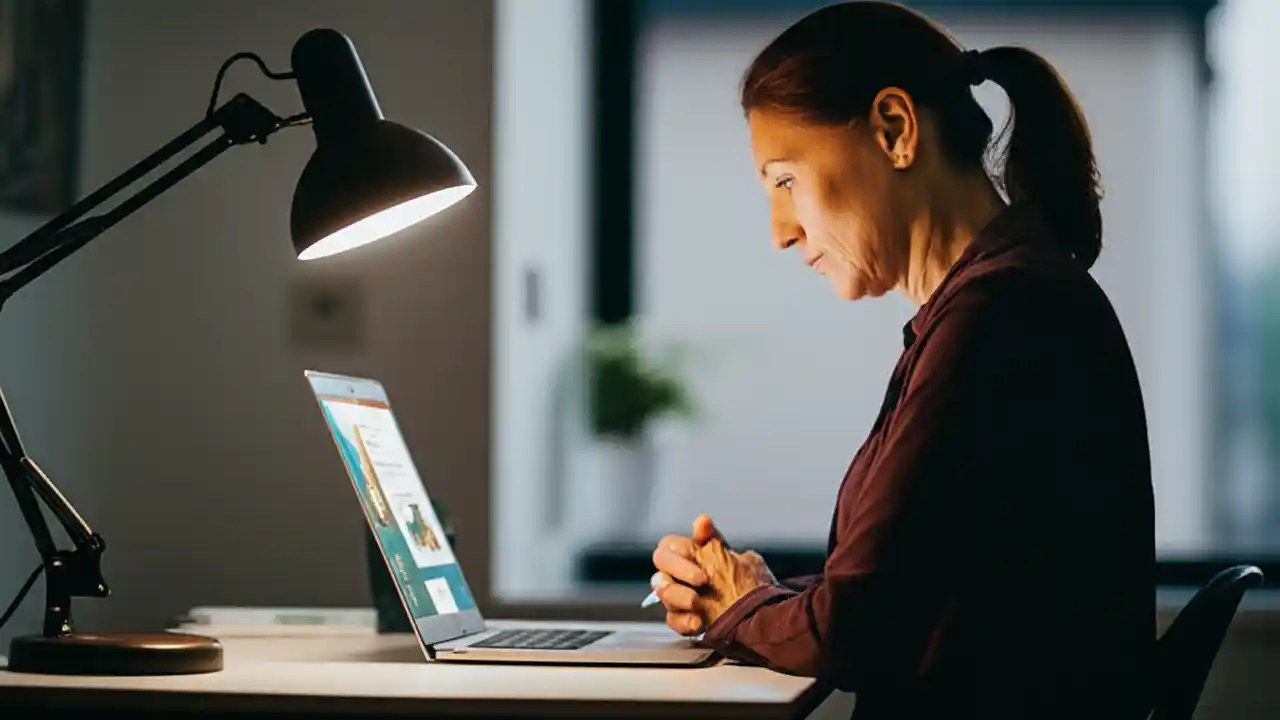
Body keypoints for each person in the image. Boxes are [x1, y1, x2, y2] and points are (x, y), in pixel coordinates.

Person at [648, 2, 1155, 718]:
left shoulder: (998, 318)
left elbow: (853, 630)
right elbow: (903, 587)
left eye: (786, 180)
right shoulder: (999, 303)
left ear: (894, 130)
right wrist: (755, 593)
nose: (780, 233)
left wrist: (744, 605)